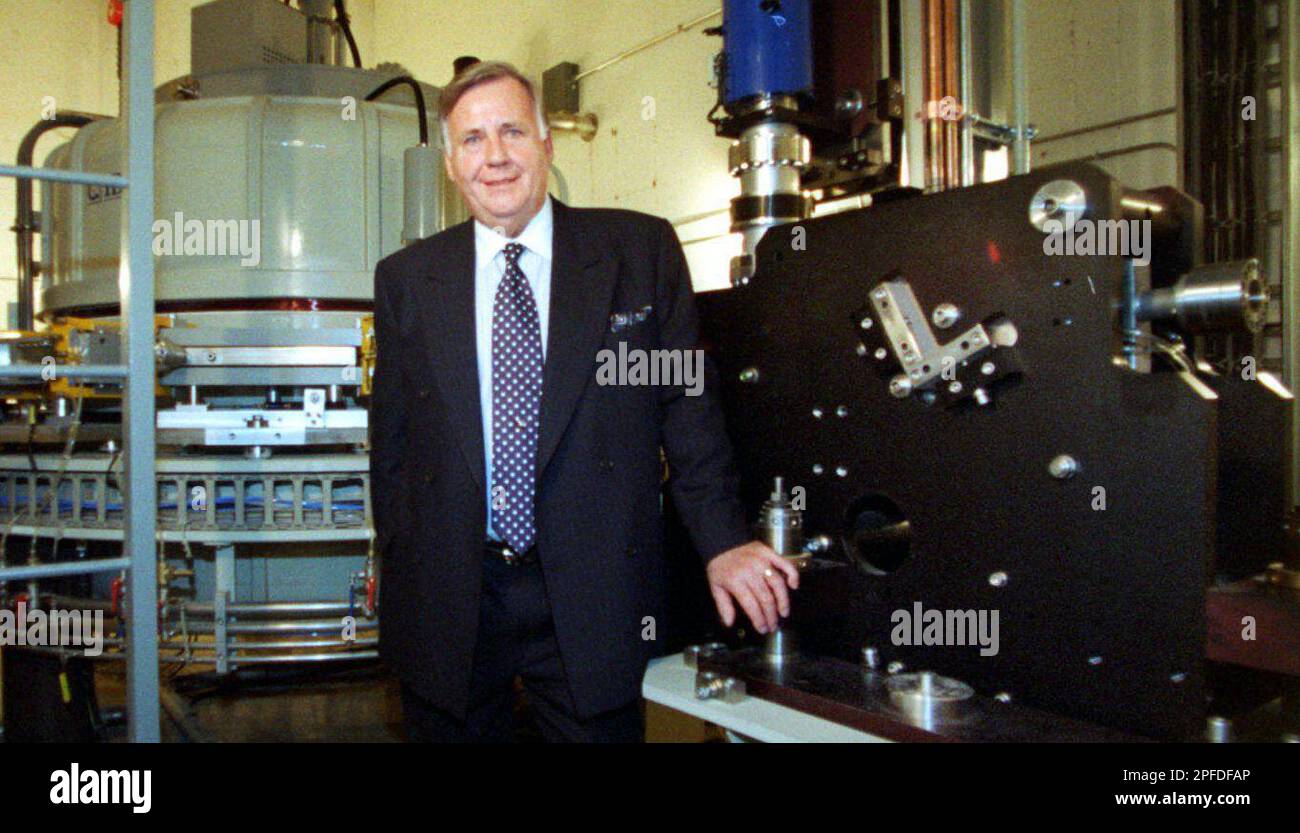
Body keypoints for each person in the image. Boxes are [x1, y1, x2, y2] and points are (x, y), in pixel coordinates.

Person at [369, 60, 798, 742]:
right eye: (473, 140)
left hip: (591, 587)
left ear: (547, 141)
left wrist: (723, 540)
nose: (496, 155)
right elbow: (390, 443)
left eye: (512, 130)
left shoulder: (637, 251)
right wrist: (399, 557)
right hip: (453, 590)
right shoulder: (407, 281)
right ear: (451, 165)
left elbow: (686, 408)